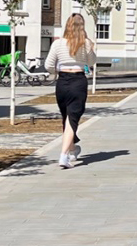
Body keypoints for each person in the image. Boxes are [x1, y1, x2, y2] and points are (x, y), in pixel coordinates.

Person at [45, 13, 96, 169]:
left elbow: (48, 65)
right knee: (72, 118)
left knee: (67, 117)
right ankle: (63, 156)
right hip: (78, 82)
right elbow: (92, 62)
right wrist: (91, 48)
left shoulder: (57, 44)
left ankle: (72, 149)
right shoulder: (85, 43)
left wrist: (55, 73)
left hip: (62, 82)